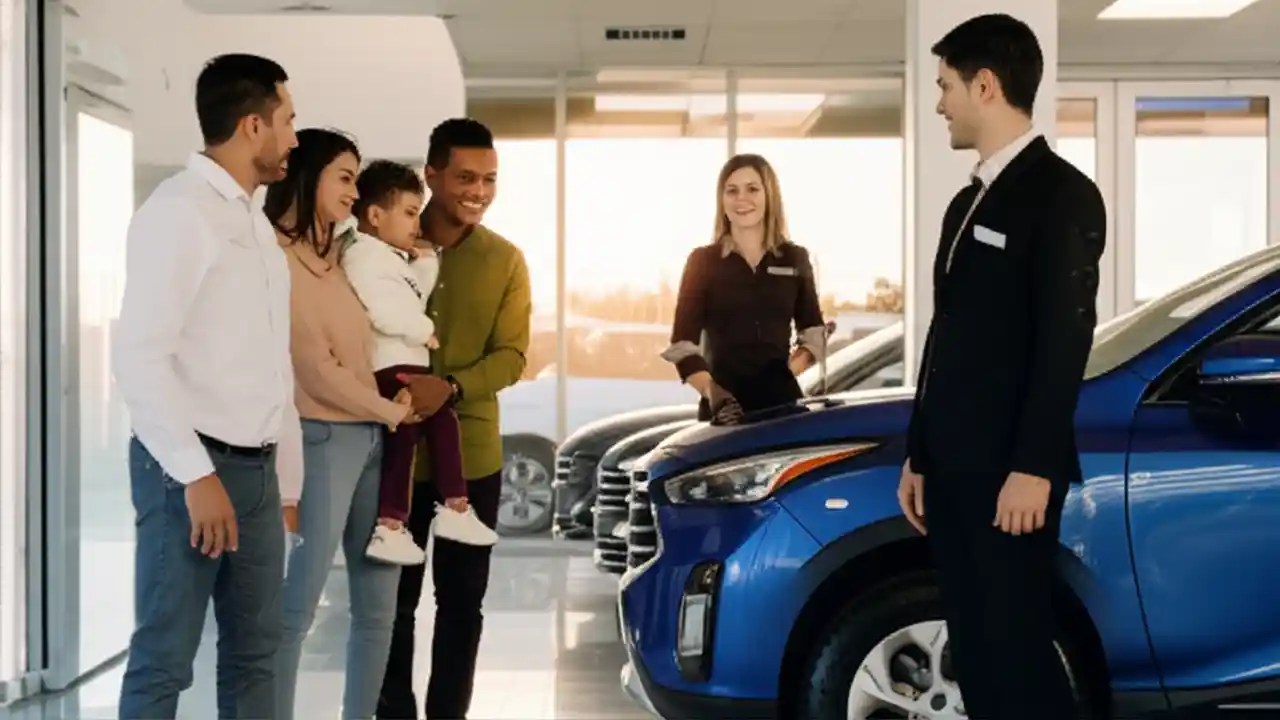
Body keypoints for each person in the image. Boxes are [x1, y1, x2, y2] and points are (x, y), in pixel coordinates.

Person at [898, 13, 1106, 720]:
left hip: (1009, 475)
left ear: (985, 86)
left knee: (1018, 657)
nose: (939, 103)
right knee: (978, 656)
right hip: (953, 472)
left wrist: (1037, 466)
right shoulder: (966, 202)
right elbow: (946, 338)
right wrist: (918, 453)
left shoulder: (1061, 195)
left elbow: (1063, 342)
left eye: (946, 86)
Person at [112, 53, 299, 720]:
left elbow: (270, 364)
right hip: (188, 473)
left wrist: (287, 484)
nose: (294, 139)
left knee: (255, 656)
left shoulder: (250, 220)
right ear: (253, 126)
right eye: (288, 121)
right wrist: (196, 475)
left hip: (255, 474)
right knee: (165, 659)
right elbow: (139, 356)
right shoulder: (180, 212)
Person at [377, 118, 532, 720]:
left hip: (473, 460)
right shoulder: (381, 248)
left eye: (490, 179)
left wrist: (453, 385)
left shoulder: (507, 261)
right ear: (432, 175)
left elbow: (513, 355)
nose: (479, 190)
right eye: (466, 177)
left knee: (462, 605)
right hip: (396, 455)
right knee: (391, 605)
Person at [265, 129, 416, 720]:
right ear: (309, 177)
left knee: (379, 607)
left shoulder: (342, 259)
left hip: (375, 438)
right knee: (296, 607)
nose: (355, 191)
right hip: (323, 440)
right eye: (345, 177)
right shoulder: (278, 261)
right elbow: (314, 368)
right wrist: (390, 411)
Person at [341, 158, 500, 563]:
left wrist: (426, 262)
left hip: (405, 366)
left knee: (418, 437)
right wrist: (422, 332)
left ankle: (417, 518)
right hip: (392, 368)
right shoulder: (363, 256)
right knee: (419, 437)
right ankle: (432, 514)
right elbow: (382, 310)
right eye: (410, 213)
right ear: (375, 216)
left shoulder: (388, 258)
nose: (417, 223)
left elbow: (411, 295)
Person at [662, 153, 826, 424]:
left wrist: (784, 375)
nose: (742, 199)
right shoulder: (702, 261)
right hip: (724, 413)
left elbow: (813, 335)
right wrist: (712, 392)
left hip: (782, 410)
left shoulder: (795, 258)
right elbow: (682, 346)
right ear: (722, 200)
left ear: (768, 195)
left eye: (752, 189)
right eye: (732, 191)